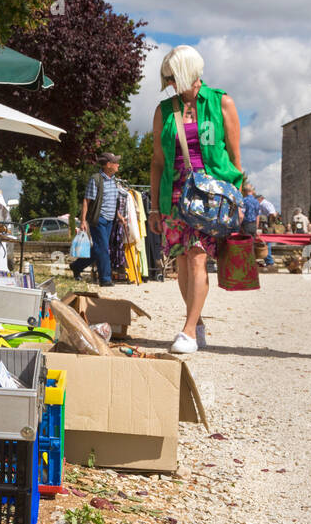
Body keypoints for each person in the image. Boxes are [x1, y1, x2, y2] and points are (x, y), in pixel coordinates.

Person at [148, 45, 244, 353]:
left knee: (199, 255)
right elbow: (158, 162)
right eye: (167, 79)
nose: (171, 84)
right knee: (182, 259)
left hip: (210, 195)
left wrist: (238, 198)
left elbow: (234, 154)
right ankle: (197, 321)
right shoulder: (164, 110)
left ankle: (188, 331)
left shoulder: (221, 103)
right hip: (175, 192)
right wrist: (153, 207)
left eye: (173, 77)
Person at [80, 152, 129, 287]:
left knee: (98, 249)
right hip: (99, 219)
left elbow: (112, 202)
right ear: (108, 165)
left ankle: (76, 266)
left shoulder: (113, 180)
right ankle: (105, 278)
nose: (118, 164)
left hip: (110, 220)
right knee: (103, 248)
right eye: (115, 162)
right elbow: (86, 200)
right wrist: (83, 220)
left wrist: (119, 217)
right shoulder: (95, 179)